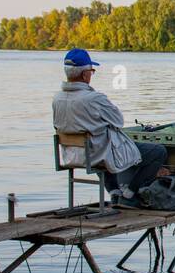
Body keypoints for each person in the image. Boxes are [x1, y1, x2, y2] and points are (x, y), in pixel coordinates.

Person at [52, 48, 167, 207]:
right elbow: (118, 121)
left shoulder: (56, 98)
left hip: (71, 156)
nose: (91, 75)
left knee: (100, 147)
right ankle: (130, 195)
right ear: (85, 74)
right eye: (92, 71)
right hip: (95, 154)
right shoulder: (94, 98)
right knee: (158, 152)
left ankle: (114, 193)